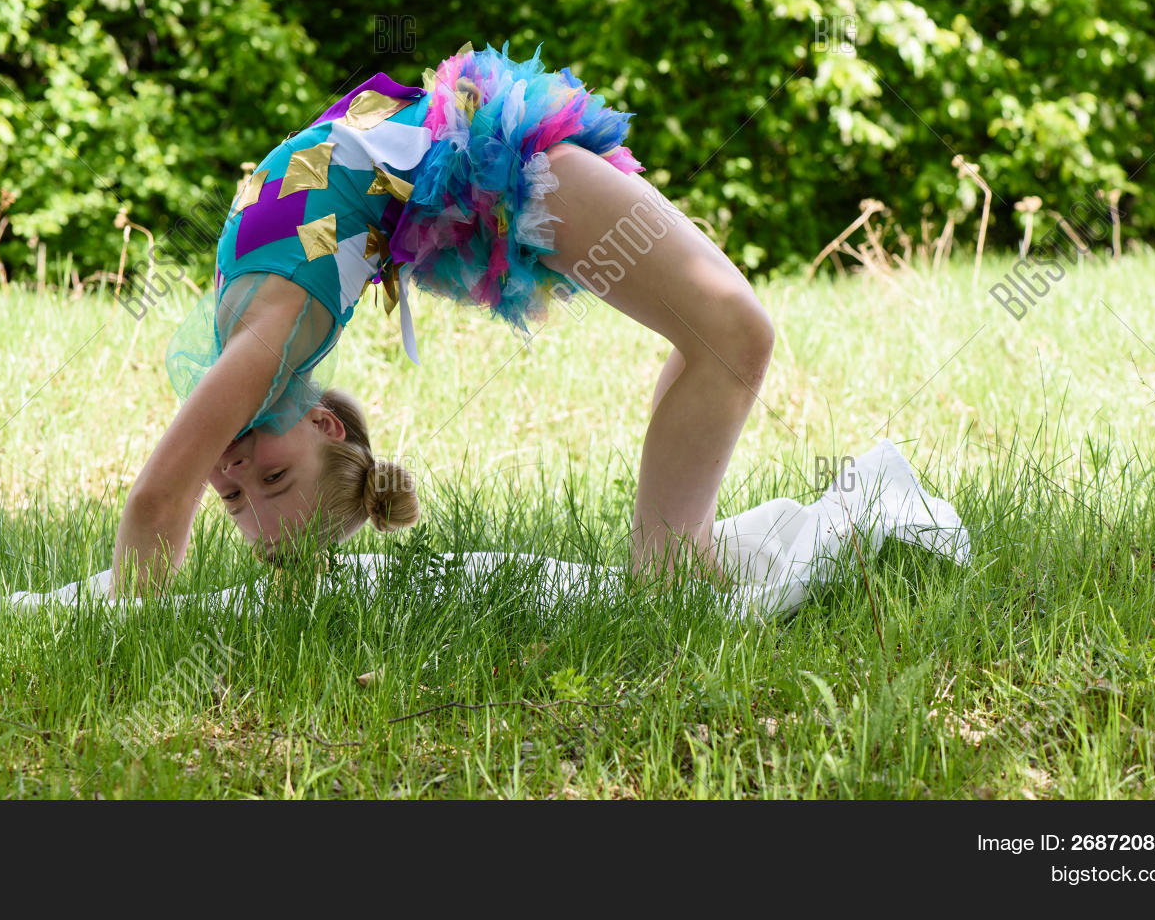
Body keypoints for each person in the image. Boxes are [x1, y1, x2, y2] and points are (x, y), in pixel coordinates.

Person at [109, 41, 774, 596]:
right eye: (265, 481)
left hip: (479, 157)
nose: (237, 470)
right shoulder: (254, 338)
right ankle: (671, 569)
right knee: (728, 336)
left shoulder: (265, 345)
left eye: (236, 494)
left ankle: (670, 568)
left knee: (726, 335)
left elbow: (157, 500)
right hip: (474, 183)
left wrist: (133, 631)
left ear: (324, 423)